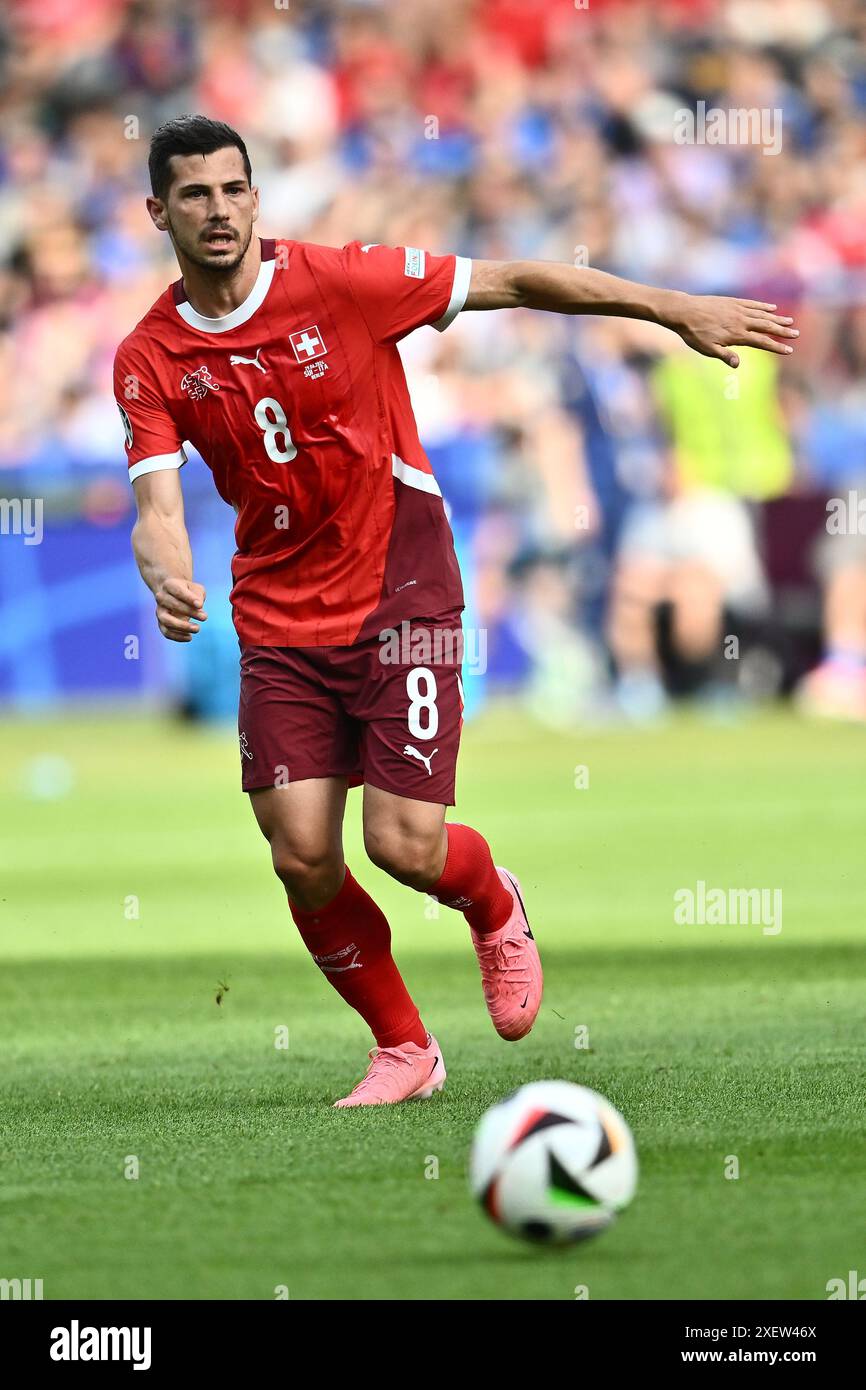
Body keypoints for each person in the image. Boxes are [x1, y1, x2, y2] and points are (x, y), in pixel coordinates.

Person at [115, 116, 798, 1106]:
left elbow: (517, 280)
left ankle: (491, 899)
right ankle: (405, 1049)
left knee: (402, 846)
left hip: (402, 583)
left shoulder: (343, 280)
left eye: (232, 190)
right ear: (157, 212)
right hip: (276, 611)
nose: (217, 211)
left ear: (255, 198)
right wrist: (167, 571)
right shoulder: (149, 354)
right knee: (302, 854)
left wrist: (669, 306)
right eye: (194, 196)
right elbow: (154, 503)